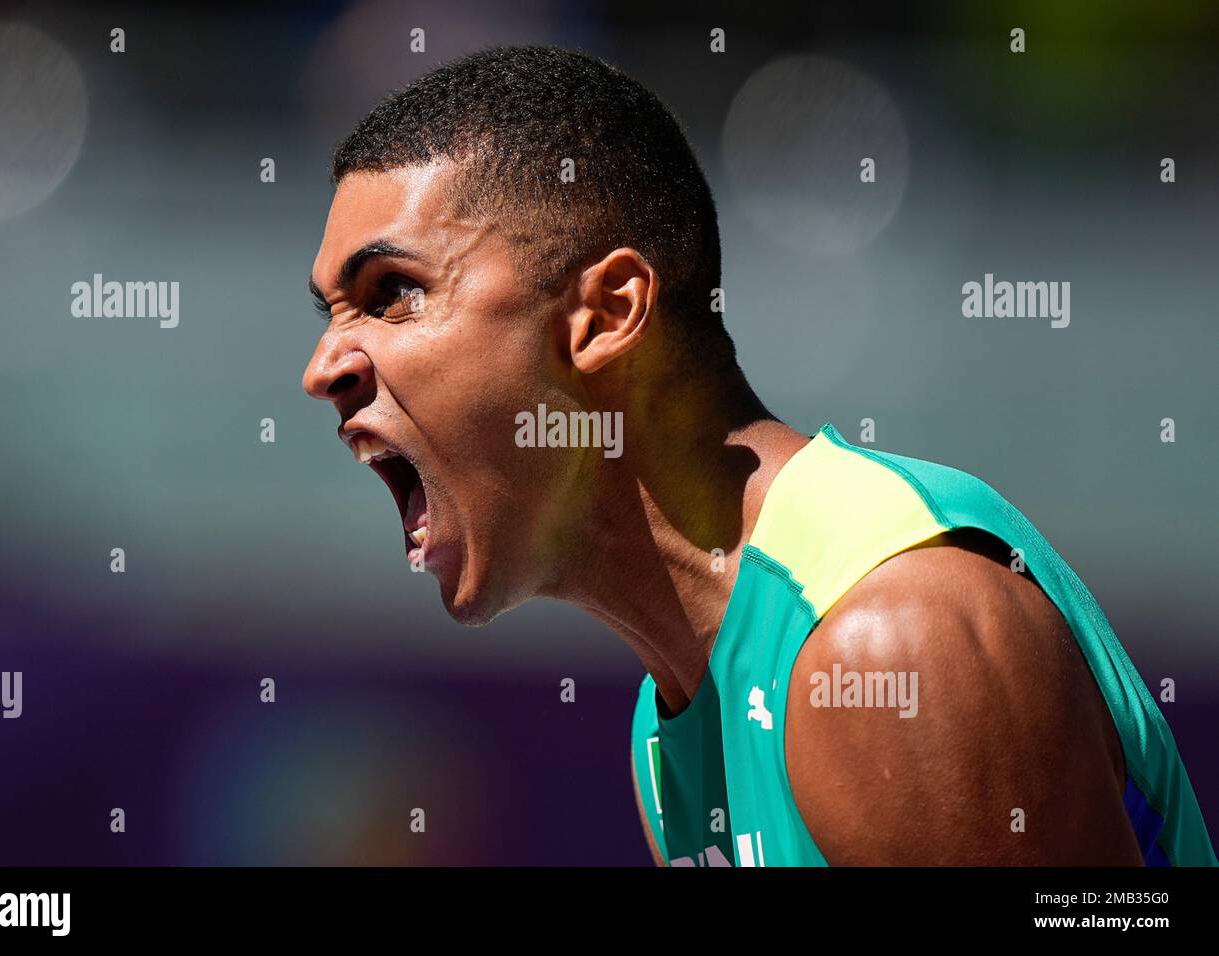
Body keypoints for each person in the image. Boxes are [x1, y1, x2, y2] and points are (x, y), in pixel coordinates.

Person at [302, 45, 1215, 866]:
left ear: (607, 315)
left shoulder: (884, 644)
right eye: (329, 312)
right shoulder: (668, 729)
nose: (323, 370)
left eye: (392, 295)